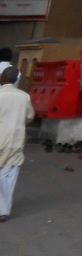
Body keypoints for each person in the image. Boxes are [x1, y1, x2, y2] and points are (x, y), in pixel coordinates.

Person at [0, 66, 33, 223]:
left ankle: (2, 209)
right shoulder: (24, 96)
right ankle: (4, 210)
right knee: (11, 174)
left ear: (2, 78)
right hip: (17, 140)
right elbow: (29, 116)